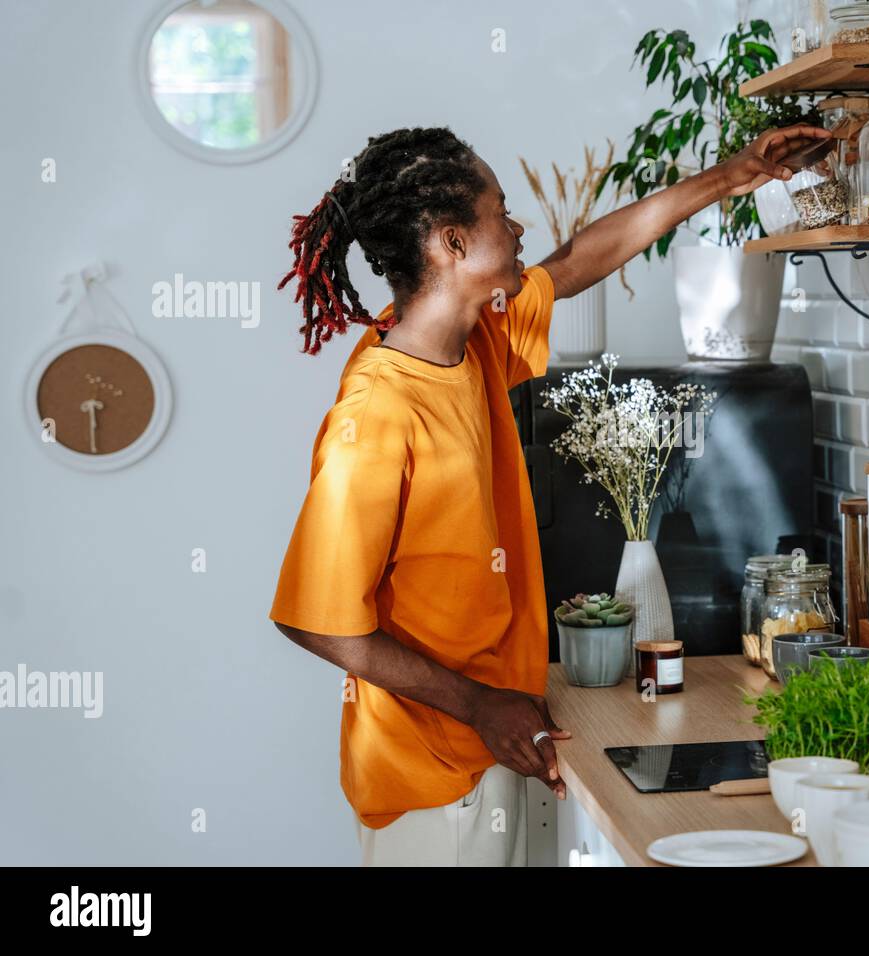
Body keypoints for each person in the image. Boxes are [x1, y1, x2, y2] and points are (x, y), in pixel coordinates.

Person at [269, 122, 830, 866]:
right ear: (451, 243)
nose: (519, 224)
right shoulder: (378, 412)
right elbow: (319, 621)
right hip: (435, 780)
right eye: (500, 210)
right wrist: (478, 704)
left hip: (506, 739)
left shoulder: (475, 340)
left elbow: (575, 261)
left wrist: (732, 177)